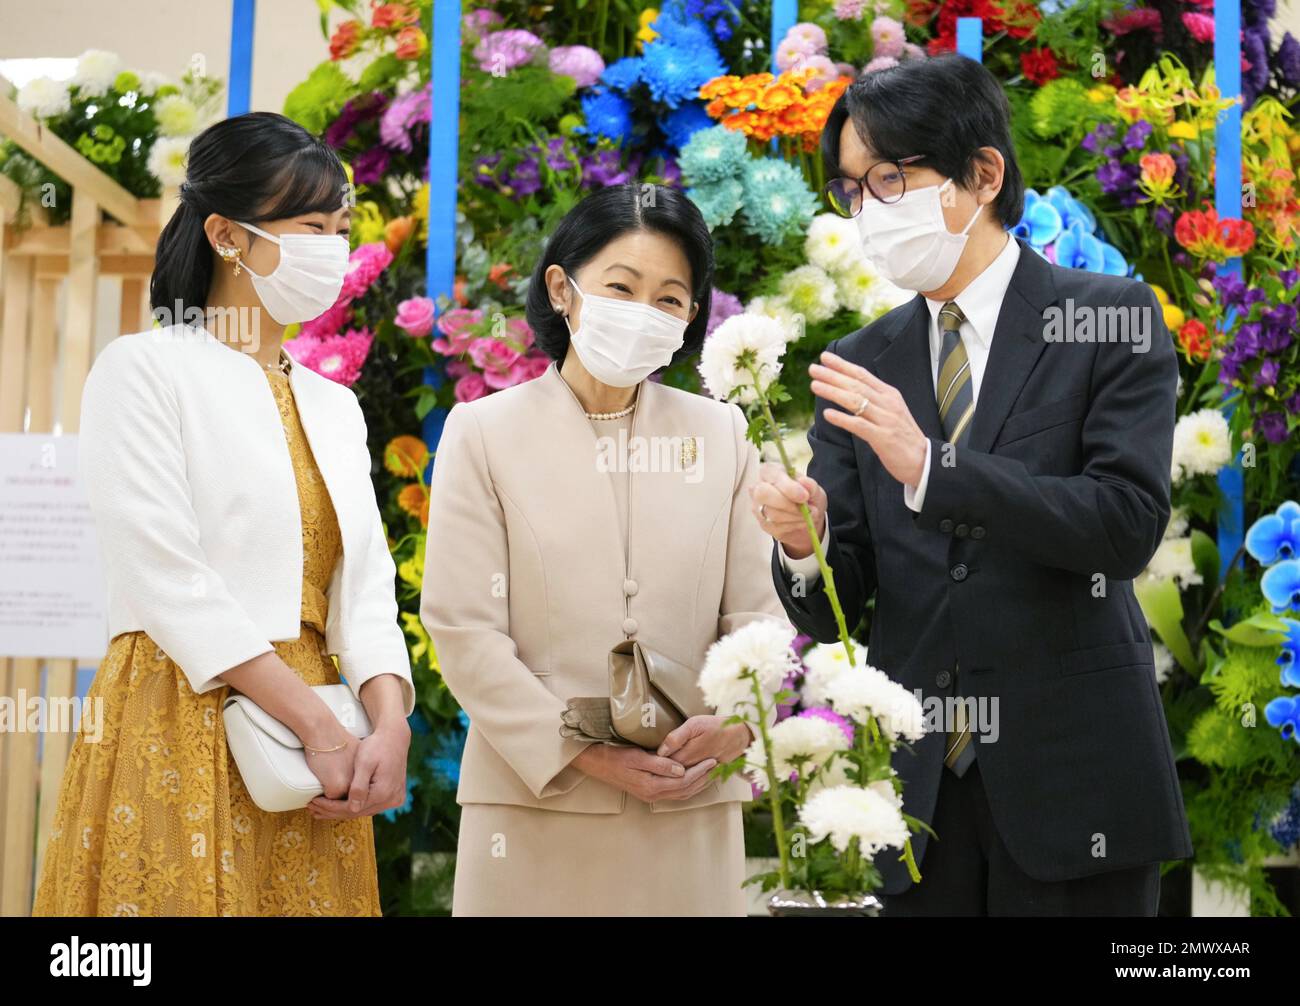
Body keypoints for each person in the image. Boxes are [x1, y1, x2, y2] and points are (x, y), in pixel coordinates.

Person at [753, 54, 1192, 916]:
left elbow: (1125, 523)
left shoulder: (1107, 317)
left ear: (982, 173)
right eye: (850, 191)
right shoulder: (857, 362)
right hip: (919, 805)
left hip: (1075, 781)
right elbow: (849, 595)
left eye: (890, 178)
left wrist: (932, 468)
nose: (868, 212)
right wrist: (805, 550)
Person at [33, 112, 414, 917]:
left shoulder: (334, 404)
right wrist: (316, 722)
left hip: (320, 747)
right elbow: (165, 573)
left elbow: (367, 588)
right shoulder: (144, 368)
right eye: (312, 226)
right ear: (226, 234)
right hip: (182, 708)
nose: (334, 250)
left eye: (340, 229)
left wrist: (387, 724)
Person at [421, 183, 787, 916]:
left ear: (690, 319)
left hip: (687, 806)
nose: (644, 313)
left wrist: (741, 720)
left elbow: (760, 618)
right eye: (621, 288)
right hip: (536, 806)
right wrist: (583, 751)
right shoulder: (484, 432)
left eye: (670, 300)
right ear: (563, 287)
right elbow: (464, 630)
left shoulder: (723, 435)